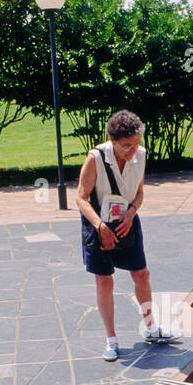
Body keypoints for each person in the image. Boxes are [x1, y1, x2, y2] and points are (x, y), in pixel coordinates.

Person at [76, 110, 177, 361]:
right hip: (98, 222)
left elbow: (140, 192)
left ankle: (151, 328)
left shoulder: (140, 156)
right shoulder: (96, 158)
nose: (131, 151)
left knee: (141, 274)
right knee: (104, 280)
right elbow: (80, 197)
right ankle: (111, 339)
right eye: (125, 146)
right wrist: (100, 227)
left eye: (135, 144)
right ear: (111, 139)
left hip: (127, 219)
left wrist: (132, 212)